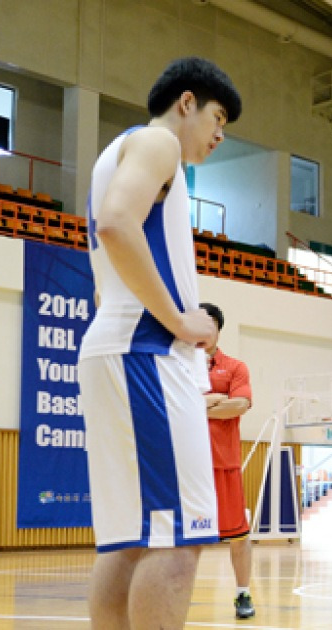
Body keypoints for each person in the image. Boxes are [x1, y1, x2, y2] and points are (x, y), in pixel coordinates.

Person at [77, 57, 240, 628]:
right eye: (218, 118)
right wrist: (179, 321)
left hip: (117, 345)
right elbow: (117, 224)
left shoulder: (115, 152)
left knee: (130, 539)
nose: (221, 135)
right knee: (177, 536)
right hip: (145, 350)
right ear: (187, 102)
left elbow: (105, 274)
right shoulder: (159, 142)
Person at [200, 302, 256, 618]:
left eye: (209, 324)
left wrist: (193, 405)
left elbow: (239, 405)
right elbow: (166, 405)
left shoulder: (235, 367)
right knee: (176, 541)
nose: (202, 330)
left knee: (238, 536)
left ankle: (242, 593)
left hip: (224, 464)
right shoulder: (176, 364)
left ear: (218, 329)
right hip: (185, 466)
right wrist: (211, 401)